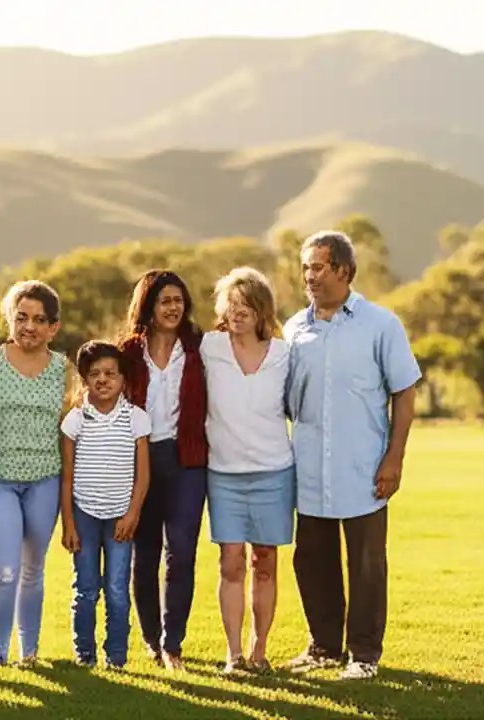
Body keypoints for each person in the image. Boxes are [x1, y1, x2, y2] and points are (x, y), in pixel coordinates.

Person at [282, 230, 421, 680]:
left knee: (365, 565)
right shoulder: (293, 329)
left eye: (318, 267)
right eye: (305, 267)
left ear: (345, 271)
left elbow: (404, 392)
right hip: (308, 469)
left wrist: (394, 458)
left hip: (363, 469)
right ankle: (323, 647)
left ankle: (364, 655)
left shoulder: (381, 325)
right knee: (311, 560)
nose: (309, 277)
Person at [0, 280, 75, 666]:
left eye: (39, 320)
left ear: (53, 327)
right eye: (22, 317)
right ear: (9, 319)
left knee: (33, 570)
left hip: (45, 481)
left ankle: (28, 653)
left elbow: (71, 431)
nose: (29, 326)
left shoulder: (66, 370)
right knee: (5, 568)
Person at [201, 267, 295, 675]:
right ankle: (233, 653)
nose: (237, 313)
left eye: (247, 306)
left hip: (274, 472)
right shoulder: (209, 347)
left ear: (263, 313)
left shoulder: (284, 354)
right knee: (231, 563)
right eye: (231, 305)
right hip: (223, 473)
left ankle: (260, 650)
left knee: (266, 562)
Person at [118, 270, 208, 670]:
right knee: (146, 554)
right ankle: (152, 640)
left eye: (178, 300)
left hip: (187, 460)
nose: (173, 308)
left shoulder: (200, 348)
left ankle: (174, 643)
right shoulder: (127, 353)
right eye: (164, 301)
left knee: (183, 552)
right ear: (148, 306)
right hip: (141, 462)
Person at [60, 340, 152, 670]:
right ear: (85, 379)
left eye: (110, 373)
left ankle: (116, 657)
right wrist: (68, 523)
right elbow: (67, 479)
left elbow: (142, 476)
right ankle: (84, 655)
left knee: (116, 590)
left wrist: (133, 513)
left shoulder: (137, 419)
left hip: (120, 518)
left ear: (123, 379)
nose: (103, 380)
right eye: (94, 373)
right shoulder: (75, 420)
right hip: (84, 514)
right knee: (85, 589)